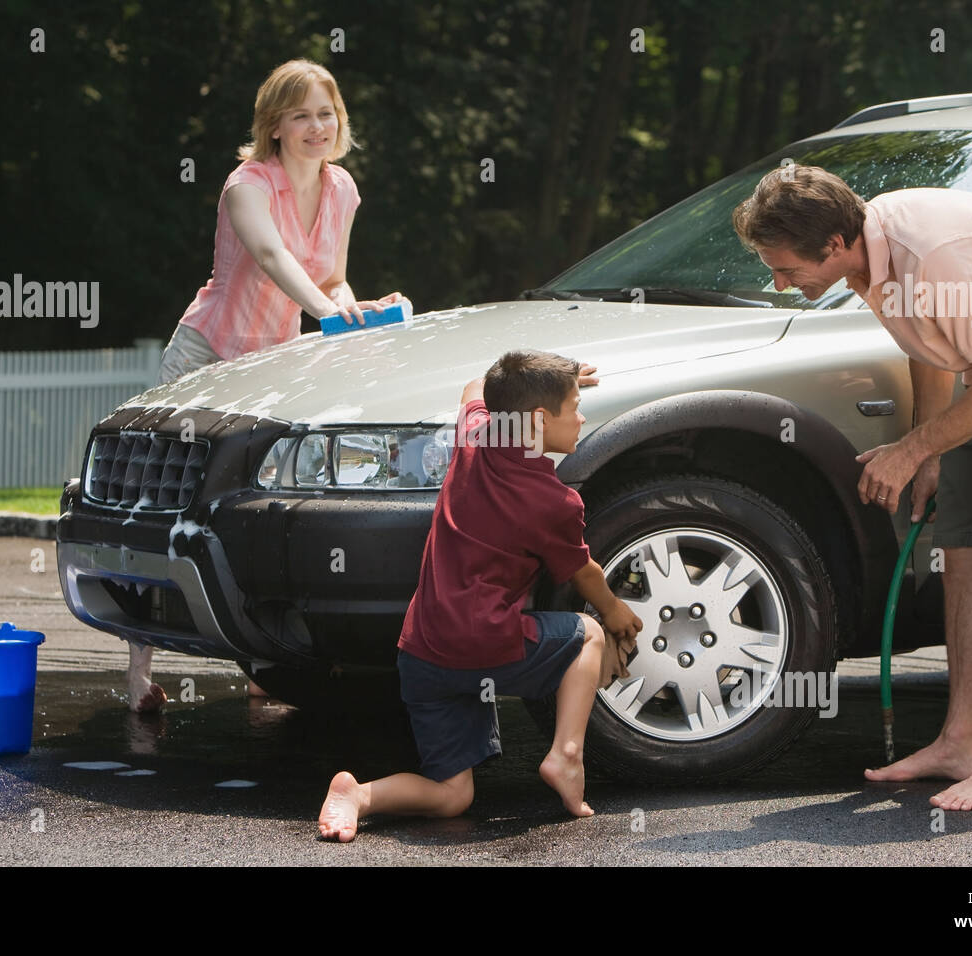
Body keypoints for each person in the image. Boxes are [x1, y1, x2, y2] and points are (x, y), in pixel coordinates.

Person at [732, 166, 972, 811]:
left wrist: (910, 449)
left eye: (785, 269)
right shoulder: (870, 258)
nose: (780, 283)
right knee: (962, 550)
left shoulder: (933, 255)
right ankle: (962, 741)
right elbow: (929, 341)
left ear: (833, 243)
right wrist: (929, 447)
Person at [128, 58, 408, 712]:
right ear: (274, 126)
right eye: (301, 114)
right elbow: (274, 258)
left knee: (255, 509)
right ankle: (138, 670)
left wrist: (355, 308)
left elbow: (331, 277)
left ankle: (265, 660)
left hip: (277, 369)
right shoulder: (246, 185)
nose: (317, 126)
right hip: (208, 355)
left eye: (326, 112)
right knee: (157, 503)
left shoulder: (342, 189)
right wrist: (330, 308)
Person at [317, 351, 644, 841]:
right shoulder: (555, 501)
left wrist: (550, 378)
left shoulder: (474, 436)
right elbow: (583, 572)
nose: (581, 416)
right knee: (589, 635)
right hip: (484, 645)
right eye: (574, 405)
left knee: (452, 796)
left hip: (423, 650)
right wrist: (616, 611)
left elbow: (476, 385)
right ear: (538, 419)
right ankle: (566, 755)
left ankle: (360, 795)